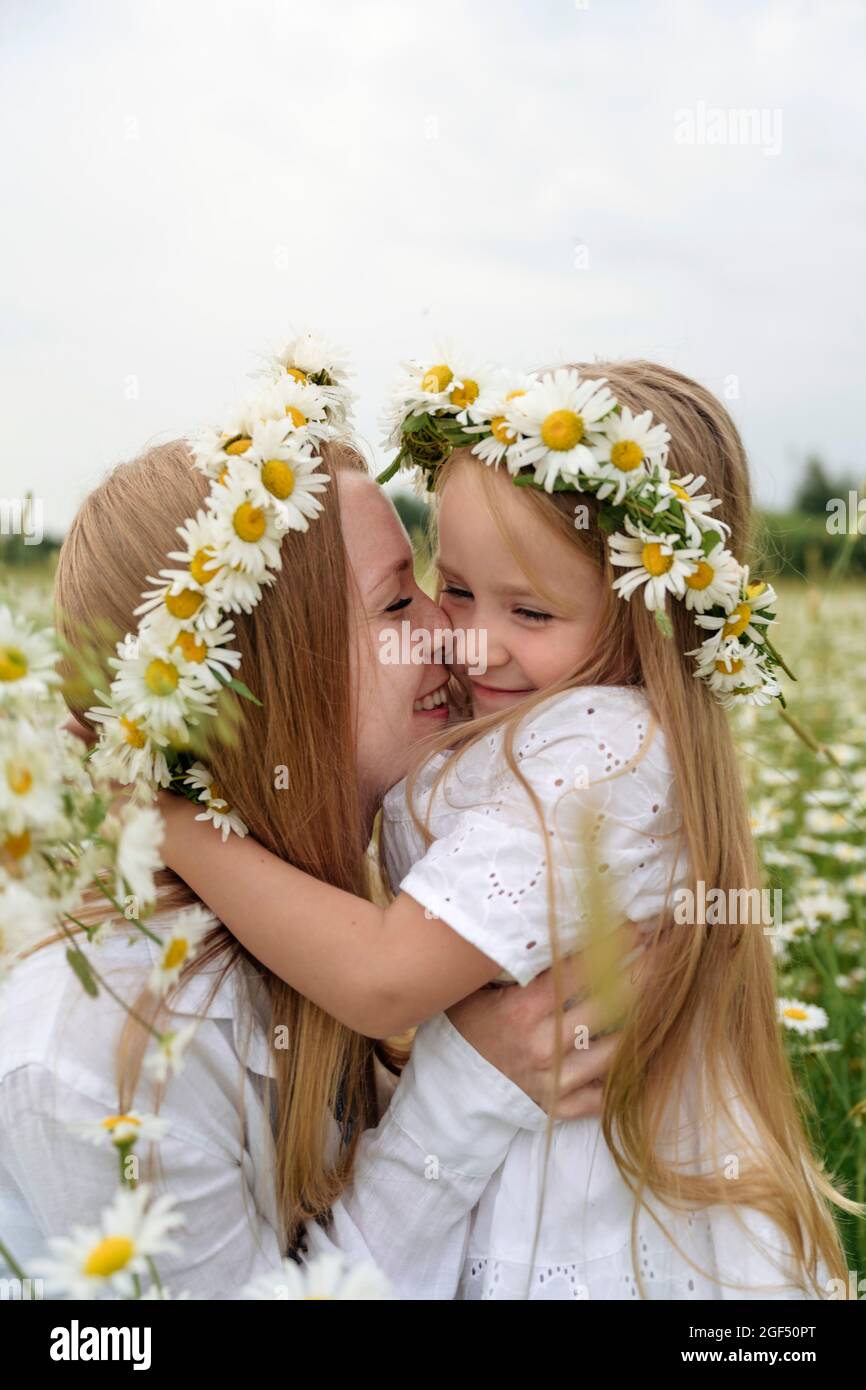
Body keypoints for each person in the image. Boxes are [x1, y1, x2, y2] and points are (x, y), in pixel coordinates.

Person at [158, 357, 851, 1299]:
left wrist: (179, 824)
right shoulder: (522, 731)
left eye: (529, 610)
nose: (472, 640)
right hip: (509, 1175)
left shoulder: (603, 747)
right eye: (455, 585)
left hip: (596, 1230)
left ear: (651, 617)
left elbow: (386, 979)